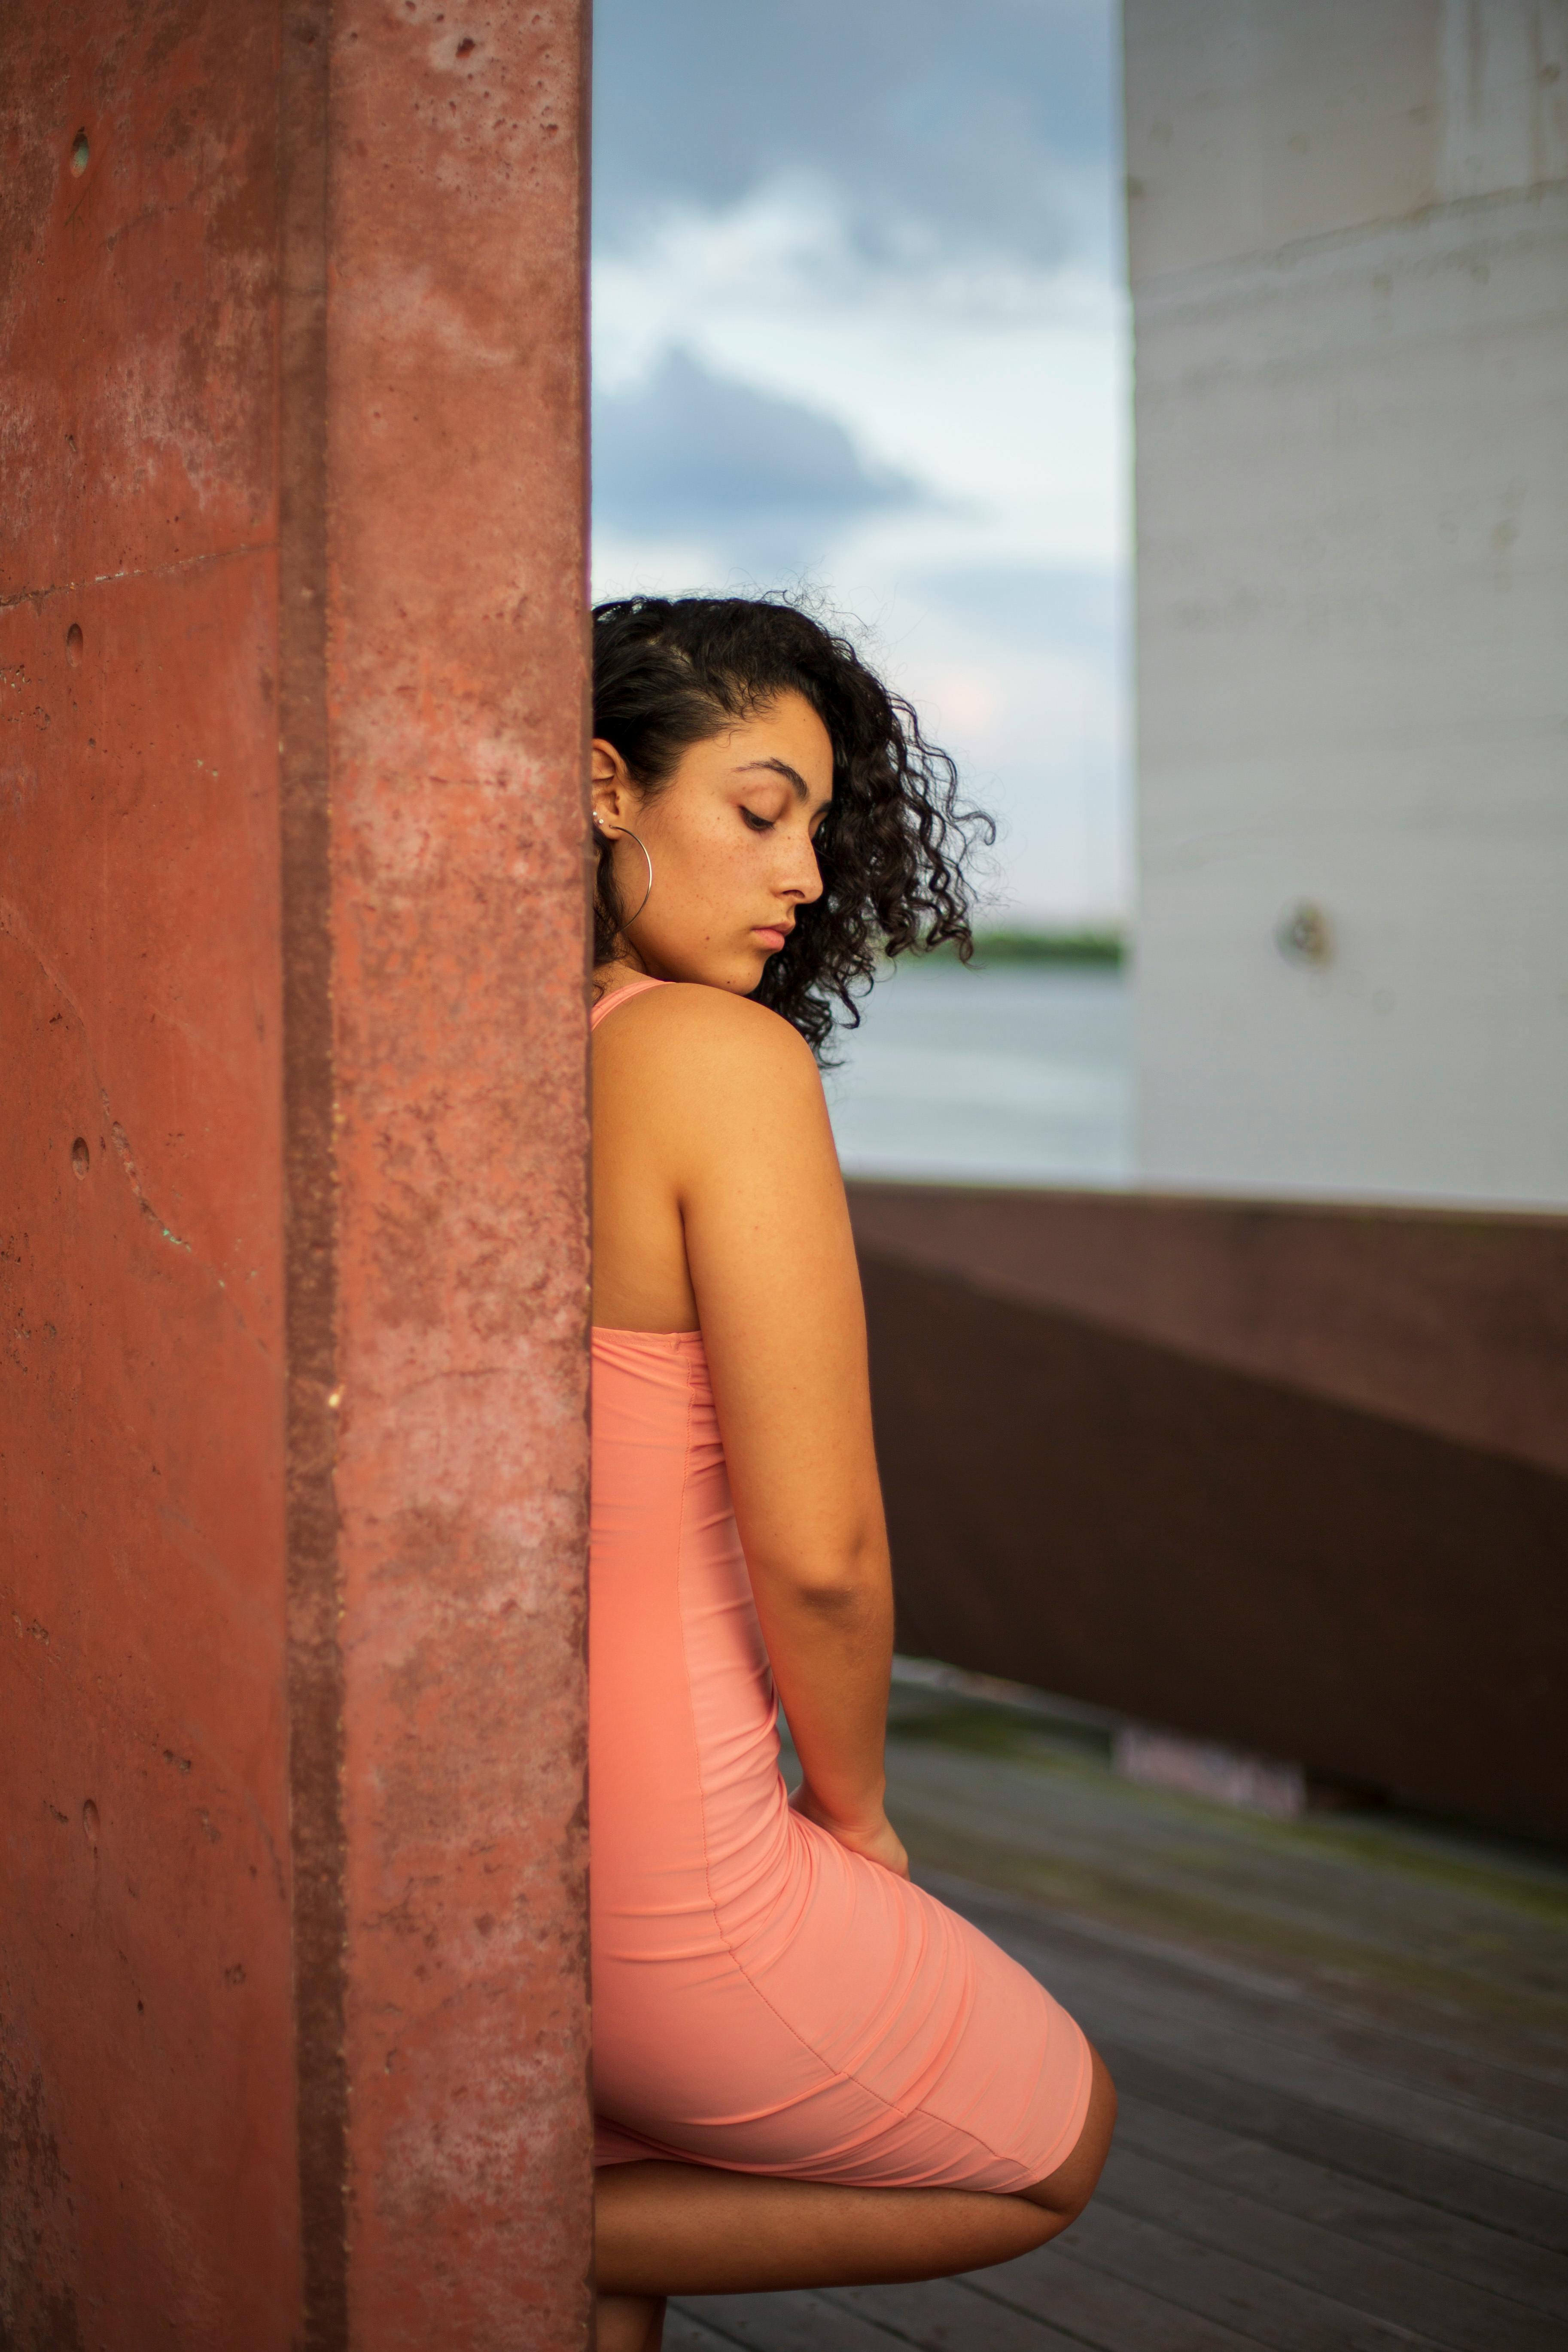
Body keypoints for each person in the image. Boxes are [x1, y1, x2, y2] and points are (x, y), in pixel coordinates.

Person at [586, 597, 1116, 2352]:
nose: (804, 869)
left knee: (645, 2213)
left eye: (819, 822)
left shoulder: (458, 1066)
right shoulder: (715, 1062)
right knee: (1049, 2141)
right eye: (758, 809)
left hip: (492, 1833)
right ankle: (486, 2211)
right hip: (670, 1862)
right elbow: (817, 1547)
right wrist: (860, 1809)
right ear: (602, 788)